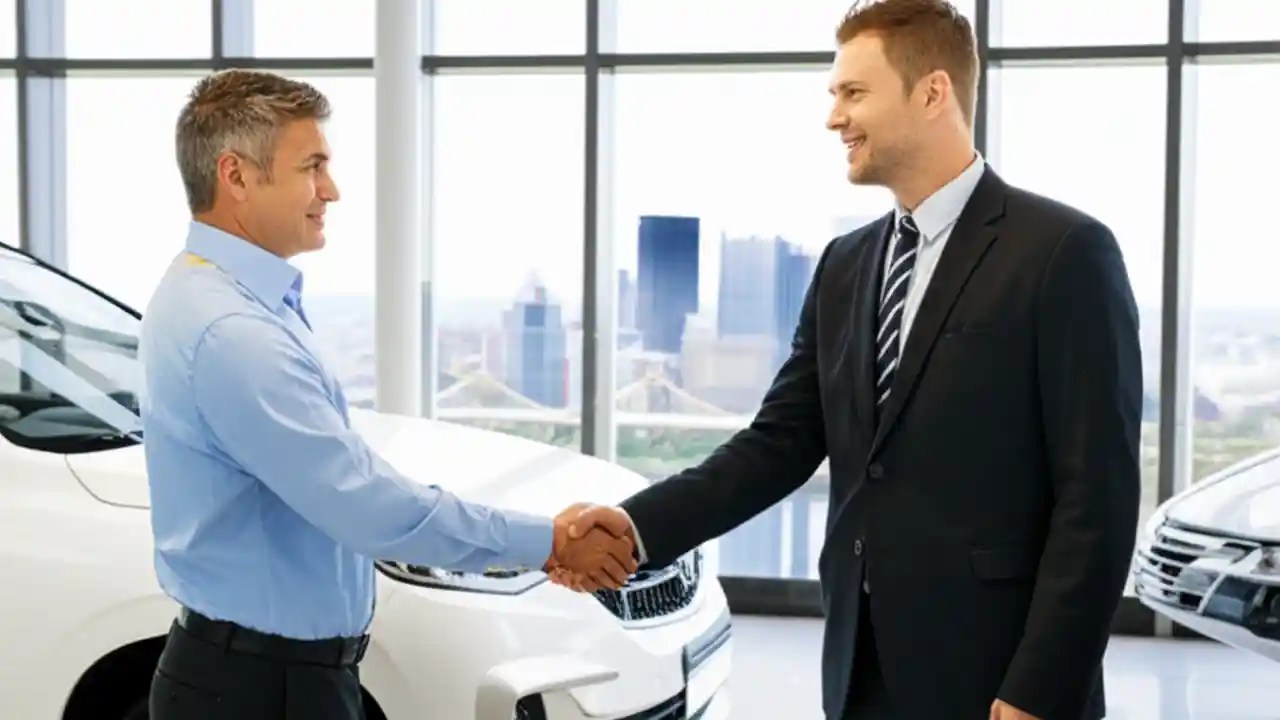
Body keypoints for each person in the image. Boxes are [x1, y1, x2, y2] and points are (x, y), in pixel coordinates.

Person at [562, 1, 1143, 719]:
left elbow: (1099, 499)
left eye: (852, 93)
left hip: (999, 674)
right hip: (858, 665)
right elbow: (777, 445)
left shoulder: (1062, 252)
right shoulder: (845, 264)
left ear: (932, 93)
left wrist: (1040, 688)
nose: (833, 117)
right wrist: (636, 527)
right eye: (834, 95)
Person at [139, 69, 637, 720]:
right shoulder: (232, 331)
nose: (331, 190)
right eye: (311, 167)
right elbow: (367, 507)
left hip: (263, 677)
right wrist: (549, 541)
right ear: (235, 176)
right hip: (260, 690)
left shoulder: (217, 298)